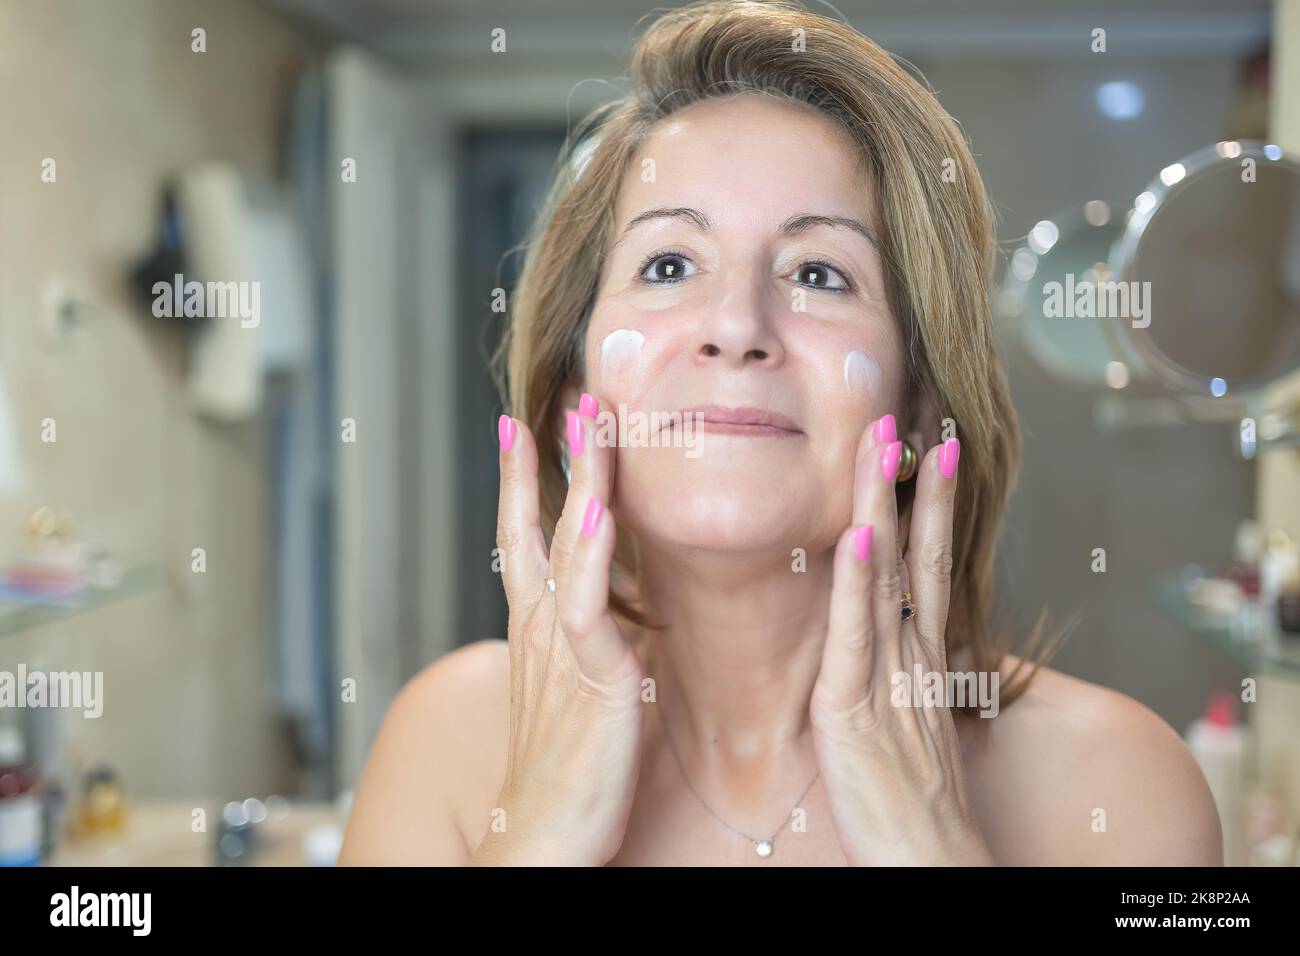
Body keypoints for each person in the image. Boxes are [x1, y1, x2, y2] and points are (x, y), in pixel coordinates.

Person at [339, 0, 1222, 866]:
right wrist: (533, 839)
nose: (736, 324)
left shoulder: (1120, 786)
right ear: (578, 389)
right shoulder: (446, 746)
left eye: (819, 273)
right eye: (669, 264)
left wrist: (934, 850)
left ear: (918, 410)